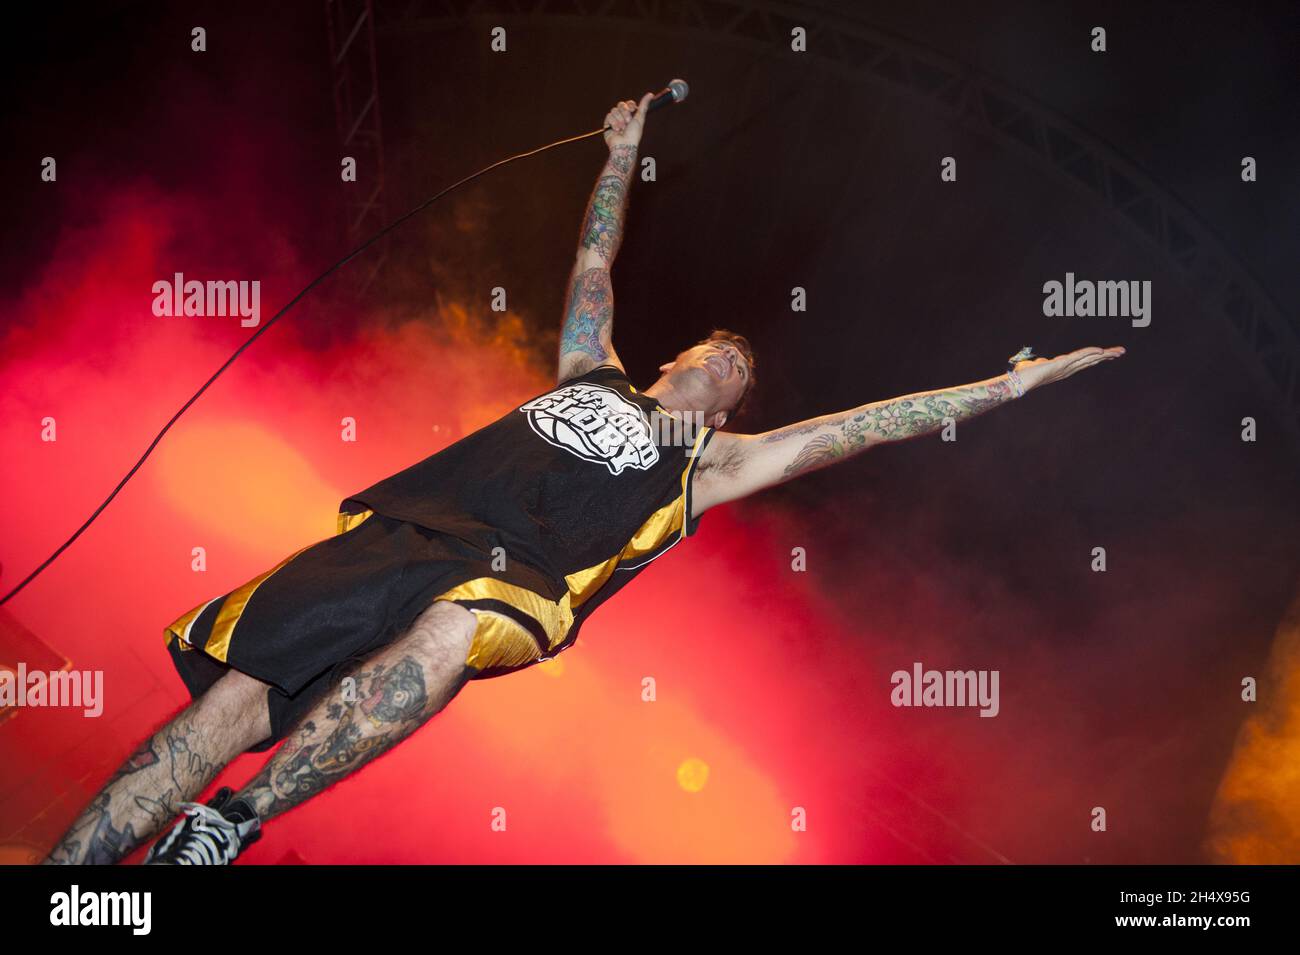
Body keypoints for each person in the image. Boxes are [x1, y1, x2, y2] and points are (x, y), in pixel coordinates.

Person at [43, 93, 1123, 865]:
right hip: (400, 526)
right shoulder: (592, 370)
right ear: (672, 358)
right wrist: (619, 156)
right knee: (230, 701)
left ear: (733, 407)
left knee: (451, 633)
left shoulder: (712, 461)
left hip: (512, 578)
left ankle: (230, 826)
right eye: (715, 351)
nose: (722, 367)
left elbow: (858, 427)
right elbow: (592, 269)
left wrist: (1003, 388)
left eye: (739, 373)